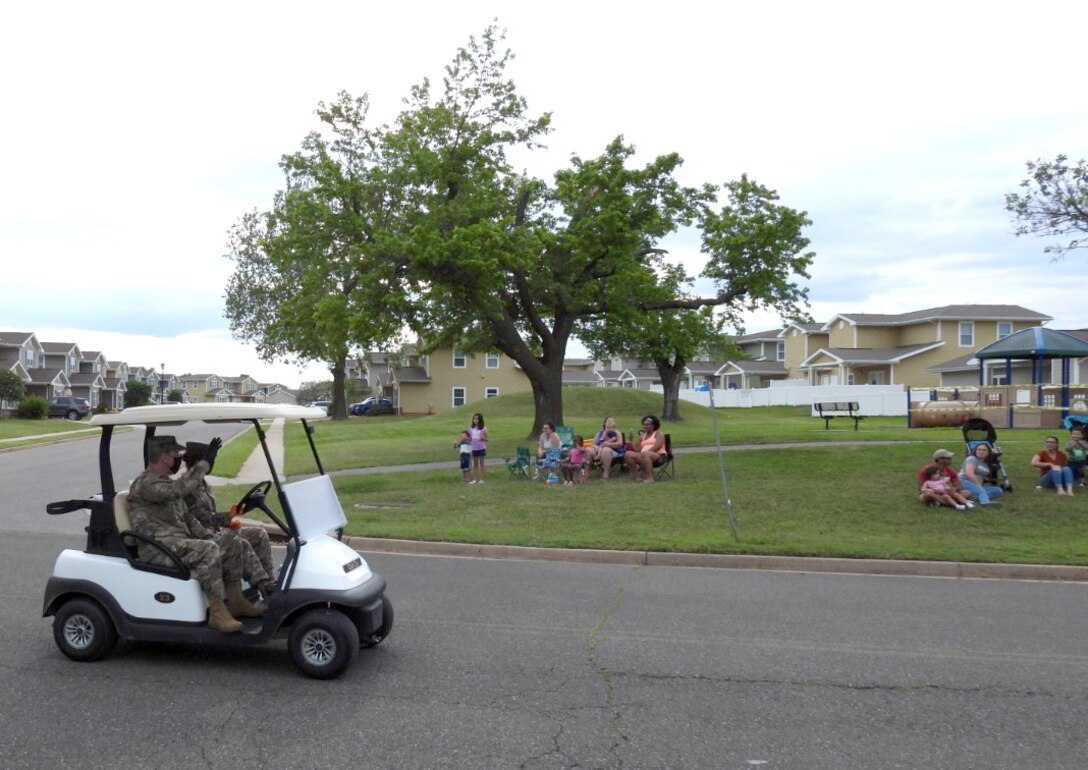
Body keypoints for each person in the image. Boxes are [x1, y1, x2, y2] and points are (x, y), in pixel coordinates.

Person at [127, 435, 242, 633]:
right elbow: (180, 488)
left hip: (176, 543)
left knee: (231, 540)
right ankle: (217, 613)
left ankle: (236, 600)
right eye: (175, 454)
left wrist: (206, 535)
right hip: (157, 547)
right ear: (164, 457)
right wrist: (204, 464)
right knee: (208, 550)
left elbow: (188, 518)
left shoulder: (165, 483)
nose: (178, 459)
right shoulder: (146, 484)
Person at [181, 442, 274, 616]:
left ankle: (270, 586)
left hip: (216, 533)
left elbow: (214, 517)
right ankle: (264, 587)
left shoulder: (203, 484)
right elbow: (208, 519)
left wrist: (240, 510)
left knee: (258, 534)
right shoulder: (189, 489)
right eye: (210, 459)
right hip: (202, 540)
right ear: (199, 462)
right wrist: (241, 509)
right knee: (236, 541)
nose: (212, 463)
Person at [623, 415, 665, 483]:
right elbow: (637, 449)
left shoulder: (658, 433)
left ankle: (650, 478)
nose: (645, 426)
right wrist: (631, 440)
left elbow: (658, 446)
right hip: (644, 456)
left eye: (647, 425)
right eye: (644, 424)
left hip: (659, 456)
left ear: (653, 425)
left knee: (645, 453)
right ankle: (636, 477)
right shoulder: (643, 436)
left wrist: (645, 454)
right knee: (627, 454)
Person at [468, 412, 488, 484]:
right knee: (475, 464)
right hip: (474, 448)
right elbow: (470, 438)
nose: (475, 420)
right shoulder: (471, 429)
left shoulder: (483, 428)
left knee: (481, 463)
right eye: (474, 419)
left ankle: (481, 479)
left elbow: (487, 439)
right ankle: (475, 479)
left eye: (477, 419)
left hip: (481, 448)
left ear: (480, 420)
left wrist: (483, 438)